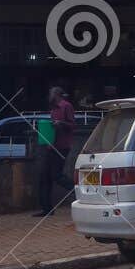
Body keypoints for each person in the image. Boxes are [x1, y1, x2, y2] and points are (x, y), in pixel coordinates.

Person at [34, 85, 78, 215]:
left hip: (62, 146)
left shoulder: (66, 106)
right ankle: (47, 209)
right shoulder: (53, 109)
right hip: (51, 145)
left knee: (56, 175)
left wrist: (61, 123)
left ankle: (77, 190)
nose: (49, 96)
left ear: (56, 94)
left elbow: (73, 125)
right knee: (44, 177)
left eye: (51, 94)